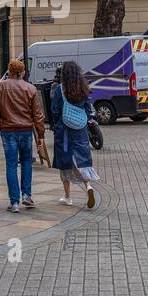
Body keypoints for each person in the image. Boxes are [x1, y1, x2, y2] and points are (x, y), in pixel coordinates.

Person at [0, 59, 45, 212]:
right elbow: (37, 115)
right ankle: (26, 195)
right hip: (26, 131)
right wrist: (41, 134)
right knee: (26, 162)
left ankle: (14, 203)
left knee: (11, 165)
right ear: (22, 72)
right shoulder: (30, 88)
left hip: (8, 131)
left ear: (9, 71)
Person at [50, 61, 100, 209]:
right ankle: (88, 186)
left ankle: (68, 197)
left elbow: (55, 110)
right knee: (82, 158)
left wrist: (56, 124)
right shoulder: (83, 88)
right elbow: (88, 108)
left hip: (64, 130)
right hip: (80, 128)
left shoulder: (60, 89)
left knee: (64, 161)